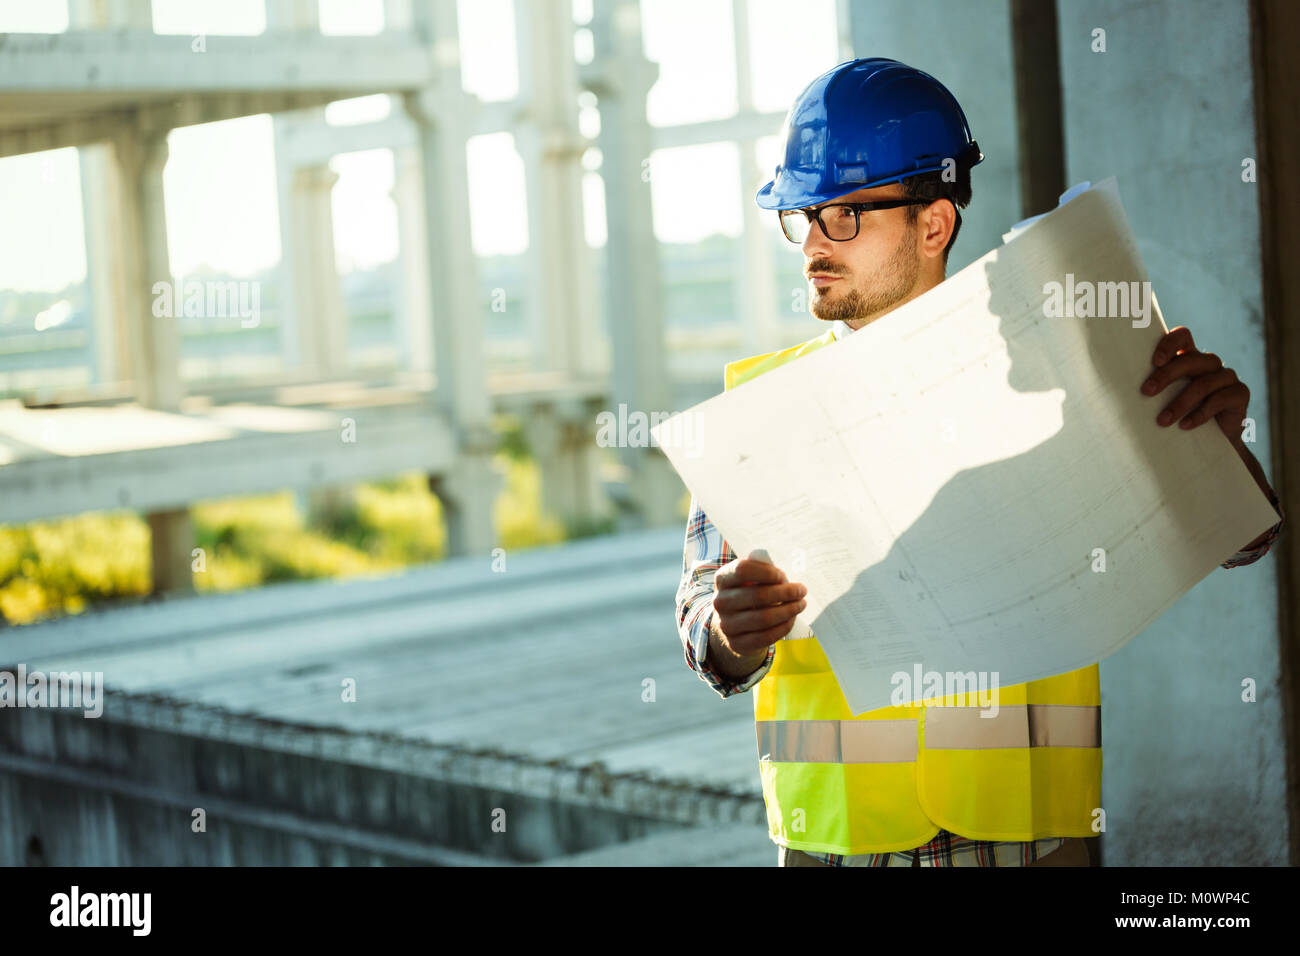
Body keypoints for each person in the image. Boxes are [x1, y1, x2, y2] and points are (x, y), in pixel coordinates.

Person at [673, 57, 1286, 867]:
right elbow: (702, 625)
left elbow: (1241, 540)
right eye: (802, 216)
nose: (814, 244)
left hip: (1029, 839)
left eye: (844, 215)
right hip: (842, 846)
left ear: (934, 224)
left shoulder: (1060, 380)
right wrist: (728, 631)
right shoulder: (763, 413)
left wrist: (1216, 446)